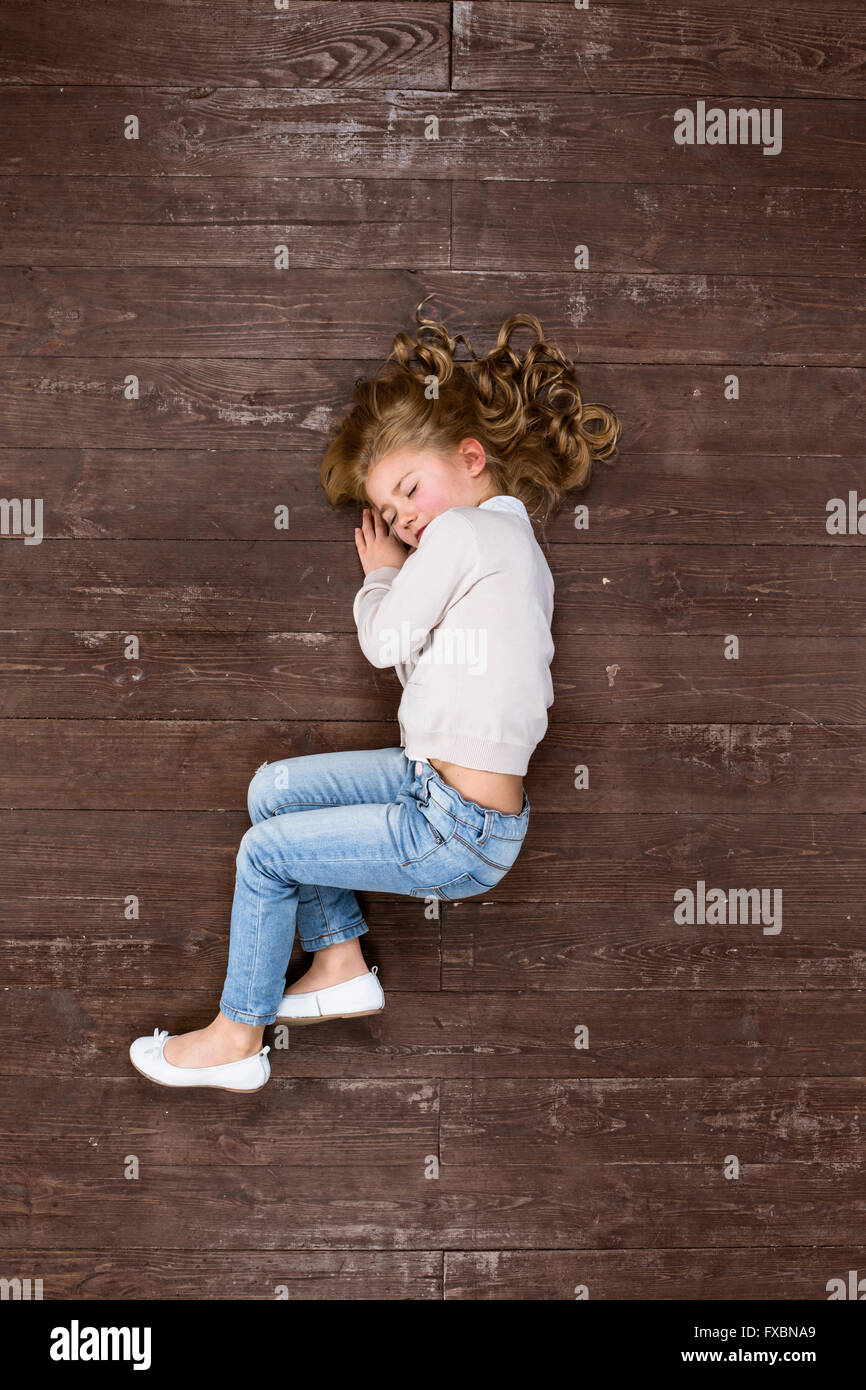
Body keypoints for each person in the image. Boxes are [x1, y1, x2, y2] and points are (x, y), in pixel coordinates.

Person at [129, 300, 621, 1091]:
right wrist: (404, 591)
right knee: (273, 791)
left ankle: (236, 1037)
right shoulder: (511, 544)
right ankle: (339, 961)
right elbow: (423, 669)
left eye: (409, 491)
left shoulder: (462, 536)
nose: (404, 521)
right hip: (438, 788)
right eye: (390, 514)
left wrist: (380, 578)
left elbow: (384, 642)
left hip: (454, 827)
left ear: (470, 457)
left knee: (264, 854)